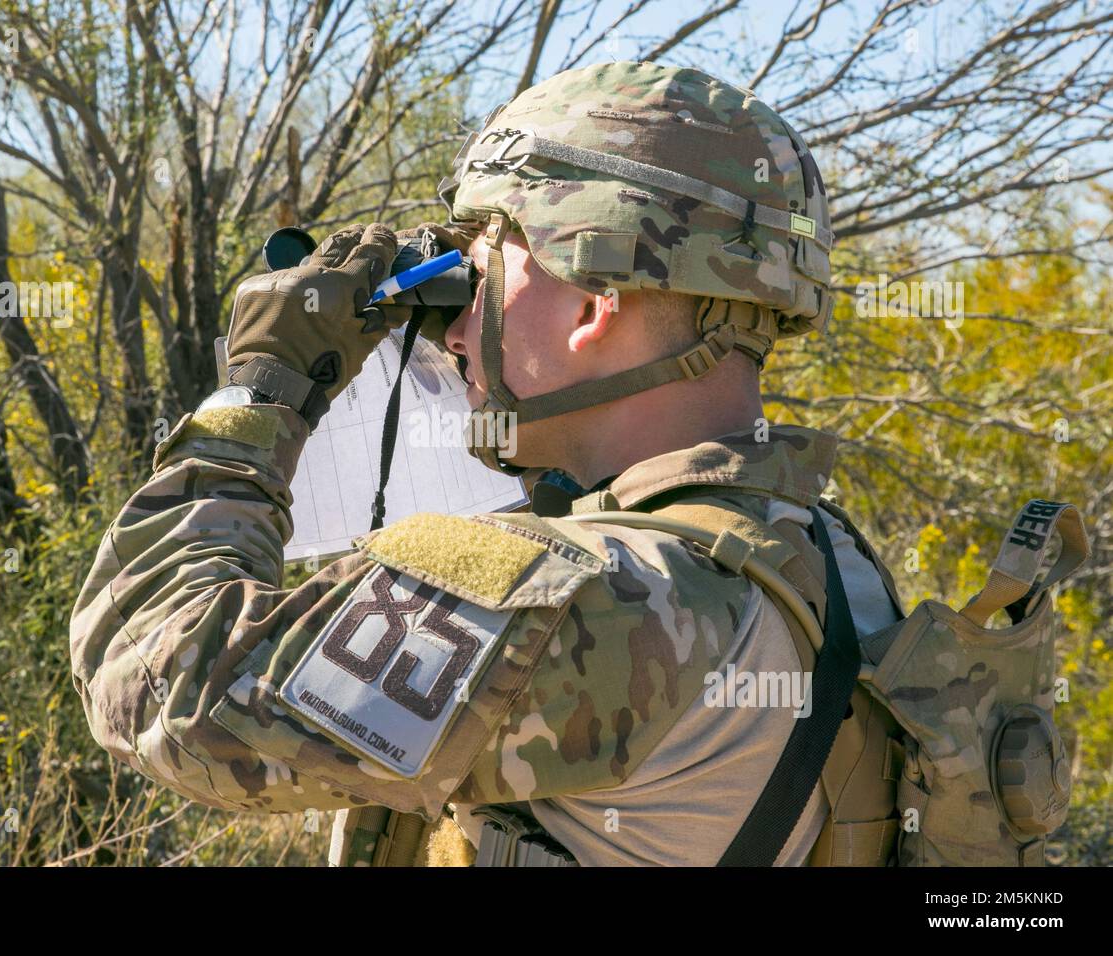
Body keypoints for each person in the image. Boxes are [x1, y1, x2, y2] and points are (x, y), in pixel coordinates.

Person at [70, 61, 907, 866]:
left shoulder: (601, 596)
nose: (460, 326)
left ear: (591, 305)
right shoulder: (827, 557)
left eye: (484, 270)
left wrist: (261, 393)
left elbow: (158, 681)